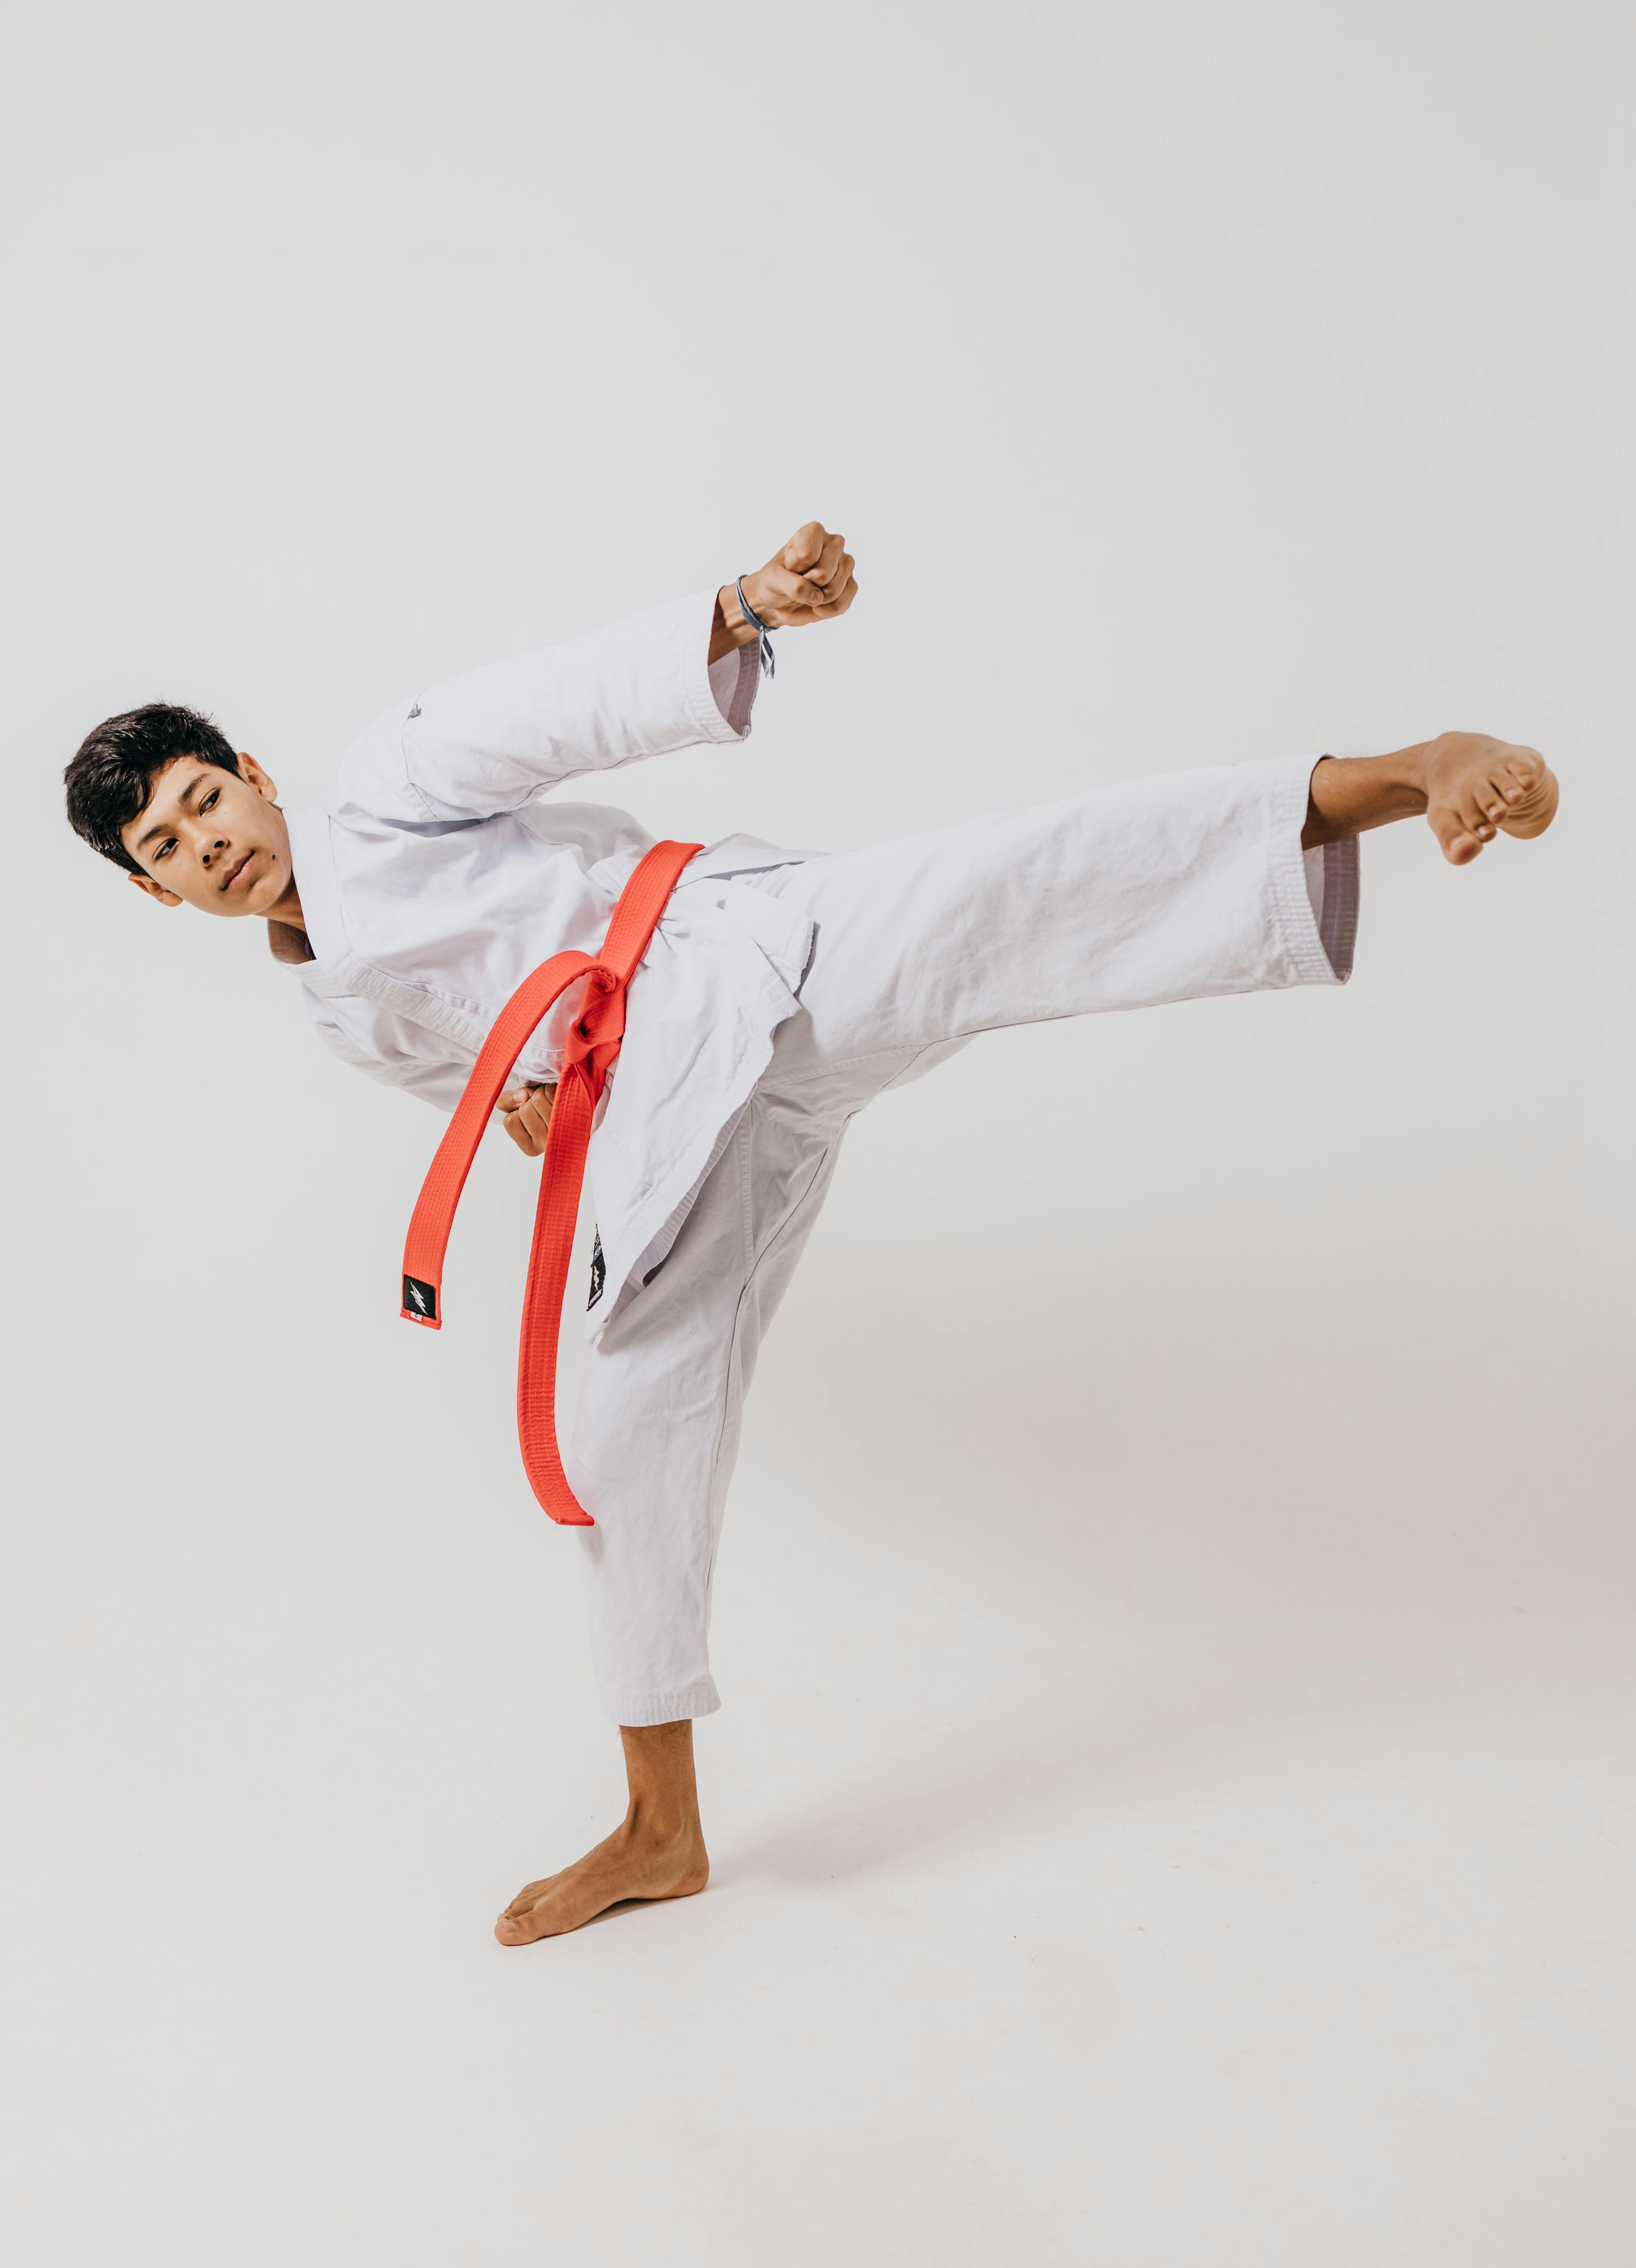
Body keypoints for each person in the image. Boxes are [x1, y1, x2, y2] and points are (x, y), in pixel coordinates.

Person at [63, 521, 1559, 1946]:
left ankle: (1410, 773)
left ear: (252, 774)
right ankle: (662, 1829)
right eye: (170, 848)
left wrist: (742, 609)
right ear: (153, 891)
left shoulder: (386, 785)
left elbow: (546, 714)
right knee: (627, 1440)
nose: (209, 845)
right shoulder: (336, 1011)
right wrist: (526, 1106)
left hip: (741, 952)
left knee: (1014, 883)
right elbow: (496, 1077)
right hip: (662, 1129)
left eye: (205, 802)